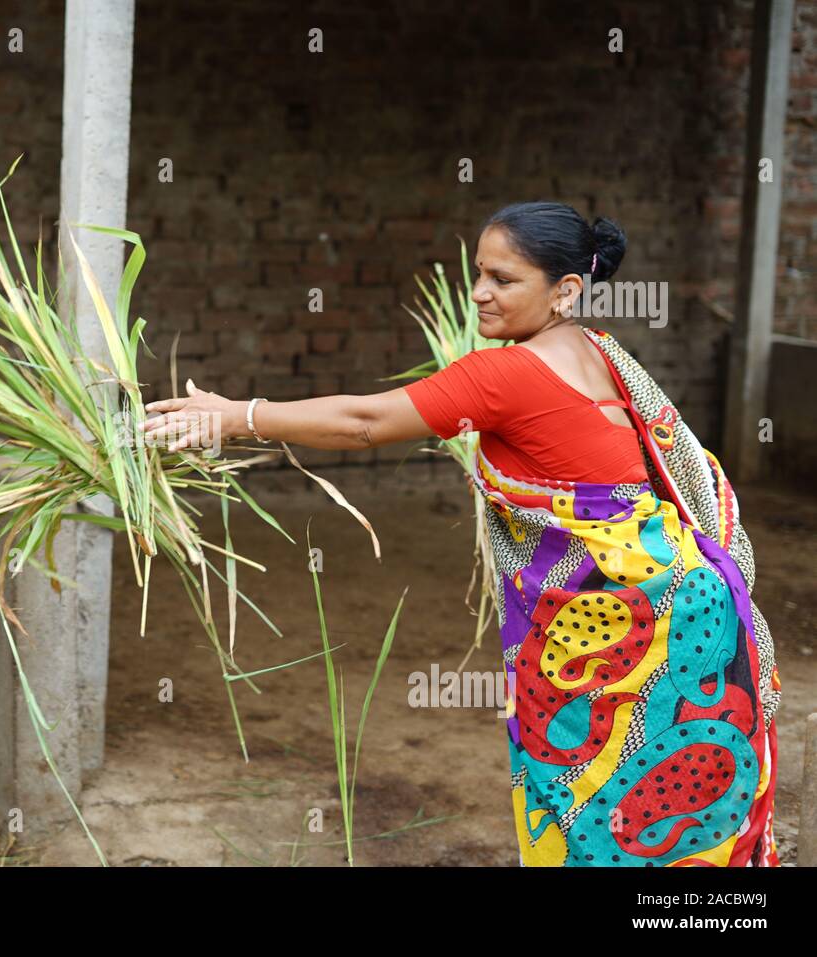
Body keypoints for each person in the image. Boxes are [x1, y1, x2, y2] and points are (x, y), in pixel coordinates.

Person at [142, 201, 782, 867]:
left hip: (626, 629)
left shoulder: (504, 374)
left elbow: (365, 420)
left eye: (503, 280)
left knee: (597, 805)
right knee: (679, 814)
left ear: (565, 290)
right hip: (689, 607)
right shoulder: (601, 352)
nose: (479, 292)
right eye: (478, 273)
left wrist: (239, 415)